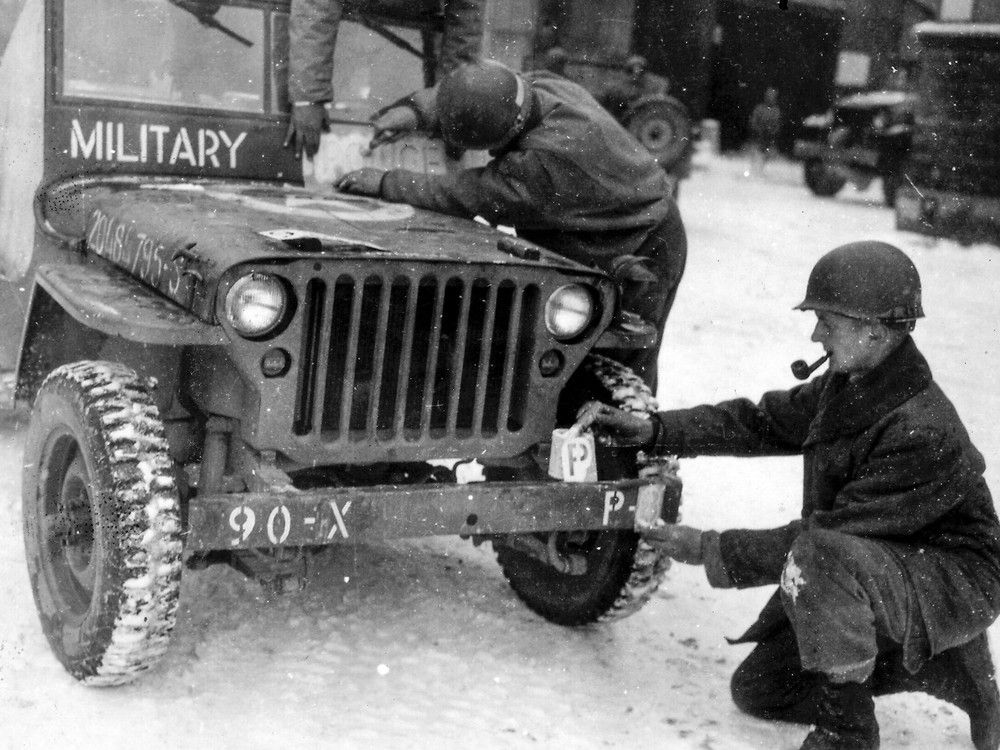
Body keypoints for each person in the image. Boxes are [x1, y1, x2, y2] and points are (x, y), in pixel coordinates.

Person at [576, 241, 1000, 750]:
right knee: (761, 692)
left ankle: (848, 733)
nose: (816, 333)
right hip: (875, 563)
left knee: (821, 556)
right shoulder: (853, 382)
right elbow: (757, 422)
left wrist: (710, 548)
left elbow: (828, 540)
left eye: (827, 321)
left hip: (950, 575)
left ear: (875, 328)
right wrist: (654, 431)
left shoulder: (921, 429)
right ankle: (937, 662)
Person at [335, 60, 687, 391]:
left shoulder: (547, 160)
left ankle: (623, 450)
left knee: (614, 370)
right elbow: (474, 88)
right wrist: (415, 111)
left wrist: (386, 183)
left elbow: (469, 194)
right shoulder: (536, 87)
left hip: (641, 243)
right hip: (621, 219)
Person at [286, 0, 483, 158]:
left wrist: (452, 110)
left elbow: (465, 23)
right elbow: (314, 9)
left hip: (413, 44)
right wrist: (308, 96)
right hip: (339, 39)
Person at [600, 53, 670, 124]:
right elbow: (619, 92)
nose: (637, 70)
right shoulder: (626, 81)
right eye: (633, 68)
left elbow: (652, 97)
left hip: (642, 111)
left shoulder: (650, 82)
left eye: (639, 67)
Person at [748, 86, 782, 175]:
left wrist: (772, 132)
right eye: (769, 95)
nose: (770, 98)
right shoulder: (759, 108)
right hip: (758, 135)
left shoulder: (776, 110)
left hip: (769, 137)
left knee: (766, 154)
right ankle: (754, 169)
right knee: (756, 152)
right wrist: (757, 129)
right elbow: (753, 121)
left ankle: (762, 170)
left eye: (772, 96)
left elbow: (777, 124)